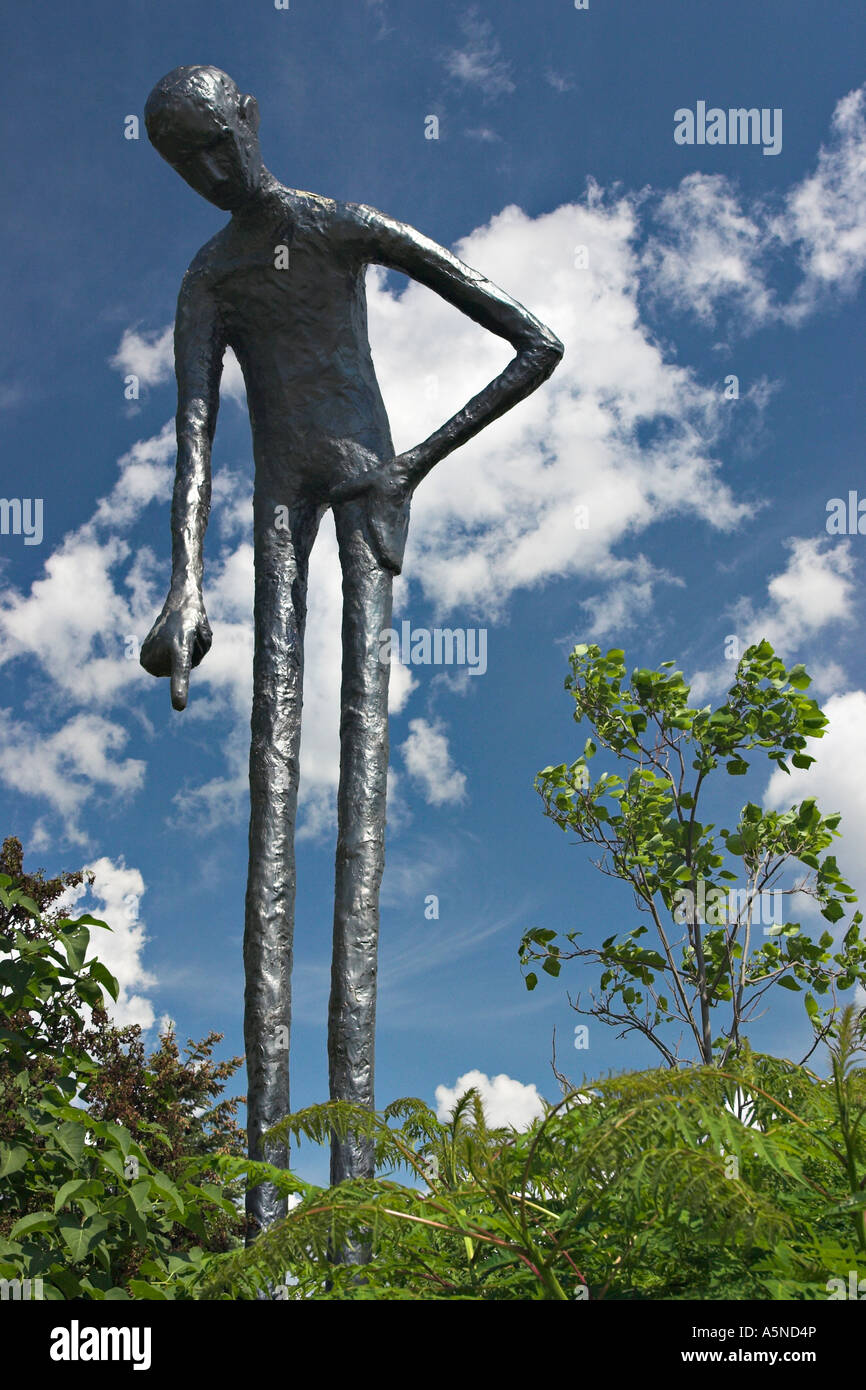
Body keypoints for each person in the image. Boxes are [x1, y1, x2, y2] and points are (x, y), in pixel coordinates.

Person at [140, 64, 563, 1237]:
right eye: (191, 168)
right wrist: (182, 583)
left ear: (251, 123)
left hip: (369, 487)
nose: (215, 177)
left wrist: (414, 461)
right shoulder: (210, 279)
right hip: (280, 504)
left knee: (358, 832)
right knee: (270, 815)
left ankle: (357, 1221)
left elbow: (534, 341)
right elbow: (194, 441)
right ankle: (269, 1226)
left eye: (221, 148)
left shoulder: (339, 227)